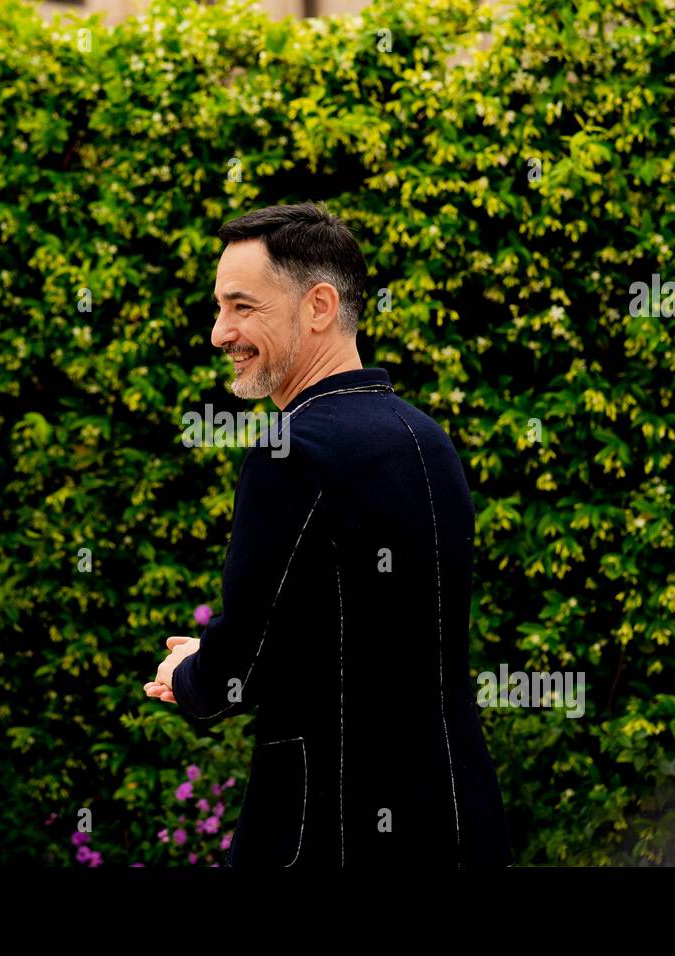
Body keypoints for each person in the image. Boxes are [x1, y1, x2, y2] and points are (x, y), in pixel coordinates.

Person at [145, 202, 514, 867]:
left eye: (241, 307)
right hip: (460, 823)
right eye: (218, 308)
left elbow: (243, 665)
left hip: (330, 833)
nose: (217, 332)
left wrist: (189, 673)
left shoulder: (293, 450)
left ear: (318, 306)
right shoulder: (427, 440)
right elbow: (349, 634)